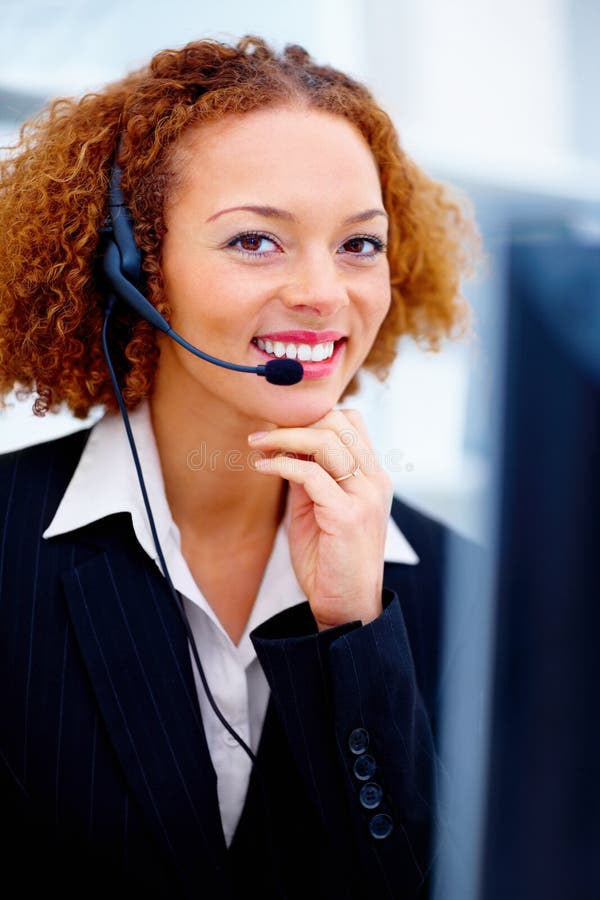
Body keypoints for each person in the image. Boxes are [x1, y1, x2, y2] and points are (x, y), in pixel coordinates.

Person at [0, 35, 477, 899]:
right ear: (134, 267)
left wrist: (354, 634)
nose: (324, 294)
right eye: (256, 241)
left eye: (359, 246)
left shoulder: (476, 595)